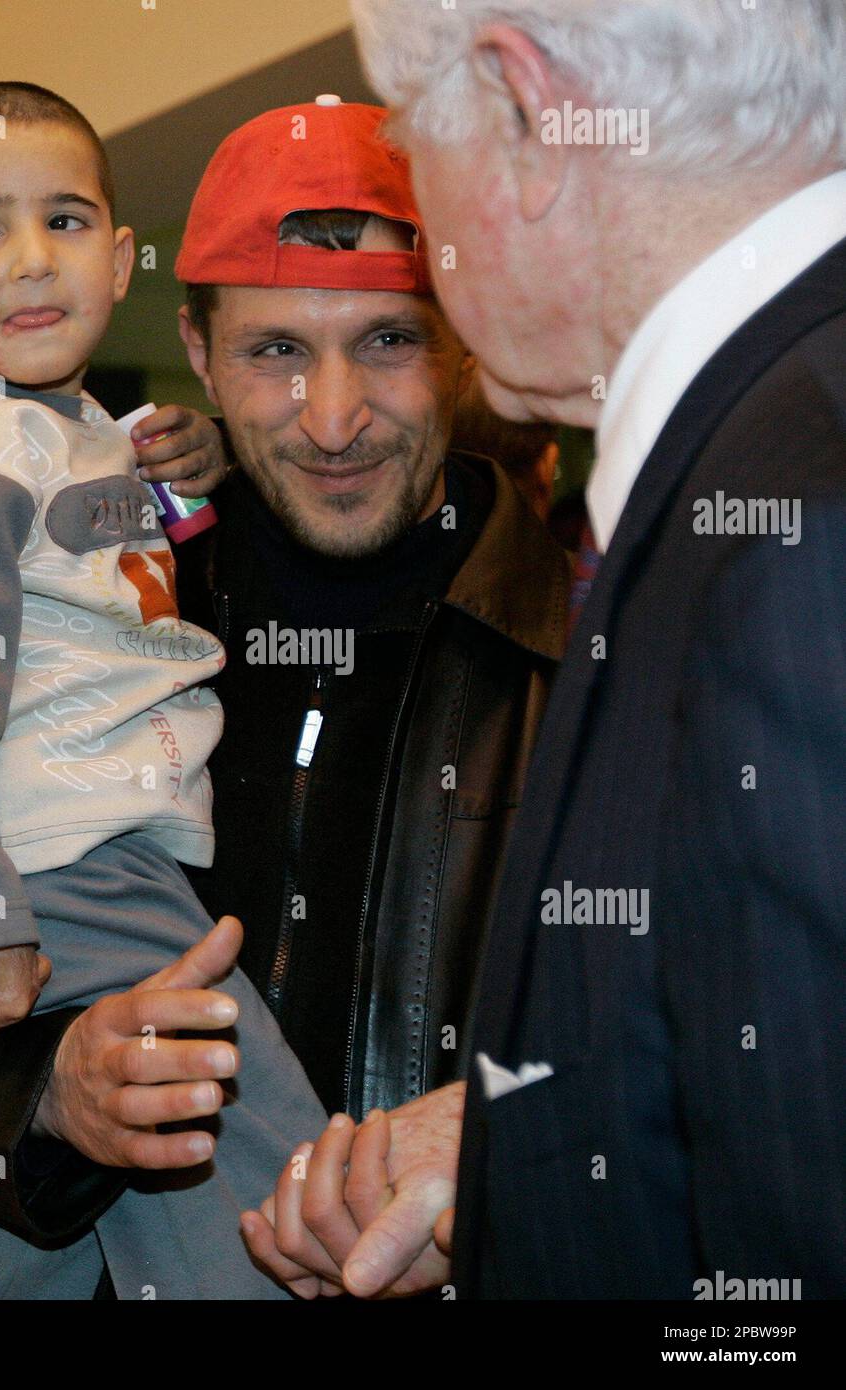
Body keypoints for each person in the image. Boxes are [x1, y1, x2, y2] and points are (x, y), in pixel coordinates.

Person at [0, 96, 570, 1297]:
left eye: (386, 341)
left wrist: (513, 1146)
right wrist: (43, 1092)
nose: (331, 416)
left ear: (460, 341)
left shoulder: (592, 663)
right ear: (200, 355)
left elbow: (729, 1043)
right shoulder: (115, 601)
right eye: (272, 350)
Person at [245, 0, 846, 1300]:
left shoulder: (792, 538)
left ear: (524, 115)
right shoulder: (770, 454)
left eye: (408, 141)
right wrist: (534, 1146)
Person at [0, 78, 329, 1300]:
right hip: (60, 868)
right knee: (248, 1126)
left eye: (65, 219)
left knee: (0, 1219)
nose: (31, 261)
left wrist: (188, 472)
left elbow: (109, 575)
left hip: (49, 865)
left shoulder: (68, 428)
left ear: (120, 255)